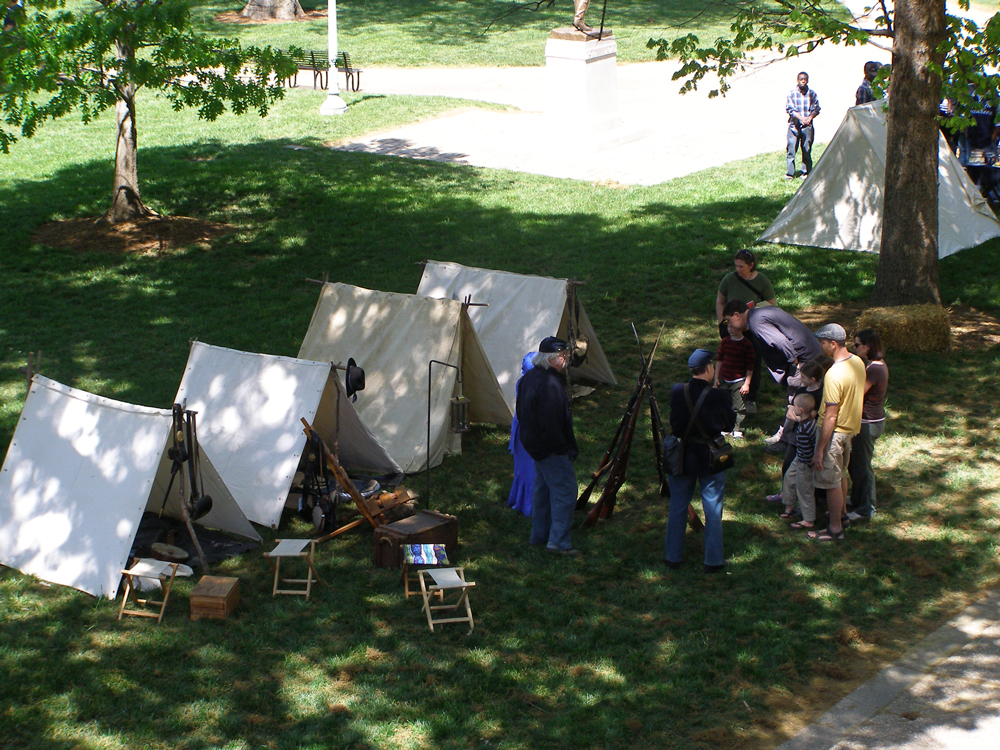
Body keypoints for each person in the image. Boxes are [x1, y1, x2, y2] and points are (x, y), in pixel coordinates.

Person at [664, 348, 736, 573]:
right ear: (707, 369)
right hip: (709, 458)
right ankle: (713, 561)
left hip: (683, 457)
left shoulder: (677, 391)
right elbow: (729, 425)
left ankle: (672, 557)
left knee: (677, 507)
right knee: (713, 509)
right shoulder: (719, 396)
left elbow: (676, 422)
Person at [516, 336, 581, 557]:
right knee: (565, 491)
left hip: (534, 446)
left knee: (542, 491)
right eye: (563, 356)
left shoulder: (530, 378)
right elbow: (551, 424)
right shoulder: (550, 385)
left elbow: (522, 413)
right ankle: (558, 543)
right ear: (553, 358)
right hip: (549, 448)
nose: (566, 360)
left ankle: (539, 535)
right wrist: (562, 448)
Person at [808, 324, 866, 542]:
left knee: (830, 483)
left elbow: (830, 415)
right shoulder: (858, 362)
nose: (821, 347)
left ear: (833, 344)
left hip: (833, 434)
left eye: (822, 343)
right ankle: (841, 517)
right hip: (850, 431)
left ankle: (835, 529)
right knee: (841, 475)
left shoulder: (833, 374)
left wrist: (819, 450)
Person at [715, 249, 776, 411]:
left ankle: (750, 398)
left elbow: (771, 304)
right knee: (731, 358)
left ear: (751, 265)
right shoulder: (729, 280)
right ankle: (729, 392)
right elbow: (720, 301)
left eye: (741, 266)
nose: (738, 270)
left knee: (752, 361)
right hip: (733, 328)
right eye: (736, 266)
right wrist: (722, 322)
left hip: (752, 329)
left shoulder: (762, 281)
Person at [847, 329, 888, 521]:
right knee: (856, 464)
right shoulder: (875, 366)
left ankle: (867, 508)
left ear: (867, 347)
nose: (854, 348)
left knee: (862, 466)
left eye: (856, 345)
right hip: (871, 421)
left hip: (868, 423)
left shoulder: (874, 369)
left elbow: (858, 393)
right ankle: (857, 499)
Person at [780, 393, 819, 530]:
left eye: (795, 406)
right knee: (789, 478)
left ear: (800, 410)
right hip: (800, 458)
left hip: (805, 462)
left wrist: (807, 465)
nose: (793, 408)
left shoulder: (803, 428)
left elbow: (808, 450)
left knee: (804, 489)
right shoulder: (807, 423)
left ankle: (808, 519)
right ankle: (790, 506)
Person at [506, 351, 536, 517]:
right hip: (528, 429)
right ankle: (528, 505)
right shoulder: (528, 385)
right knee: (528, 470)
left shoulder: (523, 382)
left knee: (523, 469)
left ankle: (520, 500)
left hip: (522, 426)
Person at [714, 322, 754, 439]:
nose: (730, 329)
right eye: (728, 326)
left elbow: (750, 367)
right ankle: (725, 427)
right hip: (724, 379)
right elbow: (719, 360)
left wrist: (747, 383)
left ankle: (737, 429)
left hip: (739, 381)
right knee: (724, 405)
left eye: (733, 326)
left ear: (742, 327)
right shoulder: (725, 341)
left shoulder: (747, 345)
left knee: (739, 407)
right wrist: (716, 378)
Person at [786, 72, 820, 179]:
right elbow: (790, 109)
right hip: (794, 126)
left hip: (807, 127)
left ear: (808, 80)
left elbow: (816, 109)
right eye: (801, 79)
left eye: (805, 79)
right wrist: (801, 118)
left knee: (806, 149)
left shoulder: (812, 94)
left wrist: (809, 118)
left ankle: (806, 172)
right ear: (797, 80)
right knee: (791, 150)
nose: (803, 81)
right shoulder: (792, 94)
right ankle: (790, 173)